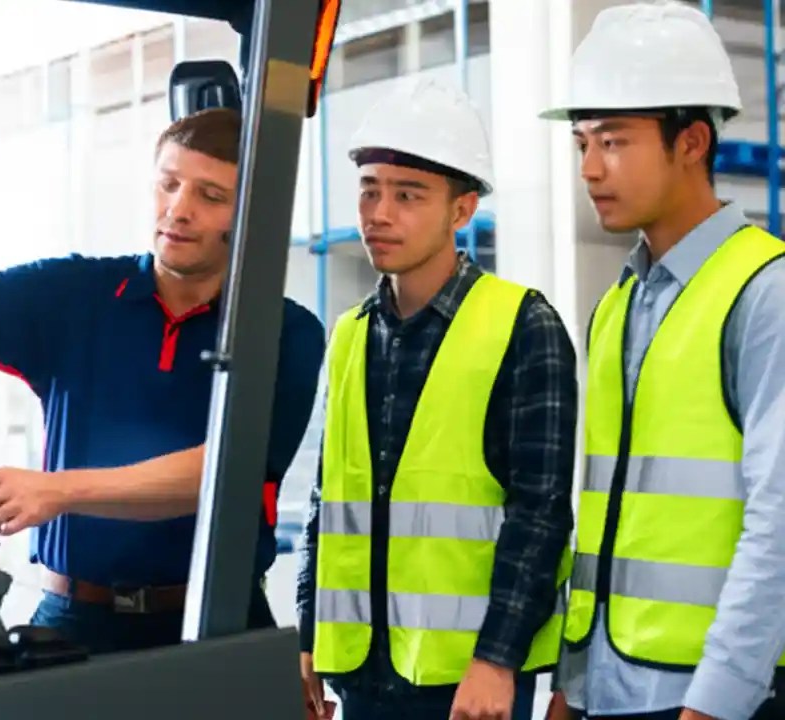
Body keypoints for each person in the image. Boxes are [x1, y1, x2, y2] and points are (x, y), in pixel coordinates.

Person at [0, 107, 327, 655]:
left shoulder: (286, 331)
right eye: (168, 184)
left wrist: (57, 491)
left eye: (210, 196)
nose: (177, 210)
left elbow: (226, 471)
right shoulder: (76, 294)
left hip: (219, 625)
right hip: (73, 624)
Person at [295, 77, 578, 720]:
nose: (379, 213)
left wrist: (497, 659)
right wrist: (310, 634)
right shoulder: (350, 334)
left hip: (466, 685)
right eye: (370, 190)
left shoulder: (522, 325)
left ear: (461, 209)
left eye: (407, 195)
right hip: (361, 671)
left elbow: (540, 515)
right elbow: (327, 500)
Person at [539, 3, 785, 720]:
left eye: (613, 141)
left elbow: (777, 520)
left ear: (692, 141)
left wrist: (718, 700)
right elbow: (609, 517)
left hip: (711, 697)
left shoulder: (763, 292)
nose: (589, 167)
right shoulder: (616, 304)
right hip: (606, 689)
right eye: (582, 141)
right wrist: (570, 682)